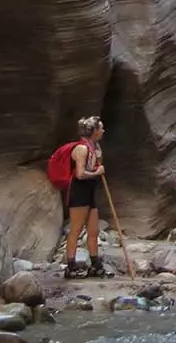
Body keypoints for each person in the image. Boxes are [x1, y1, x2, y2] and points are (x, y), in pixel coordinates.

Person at [62, 117, 108, 278]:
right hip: (79, 191)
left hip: (89, 192)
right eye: (101, 128)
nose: (103, 130)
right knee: (76, 229)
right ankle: (71, 266)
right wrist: (97, 173)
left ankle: (95, 265)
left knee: (93, 230)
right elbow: (80, 174)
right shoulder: (82, 148)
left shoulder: (94, 147)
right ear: (94, 131)